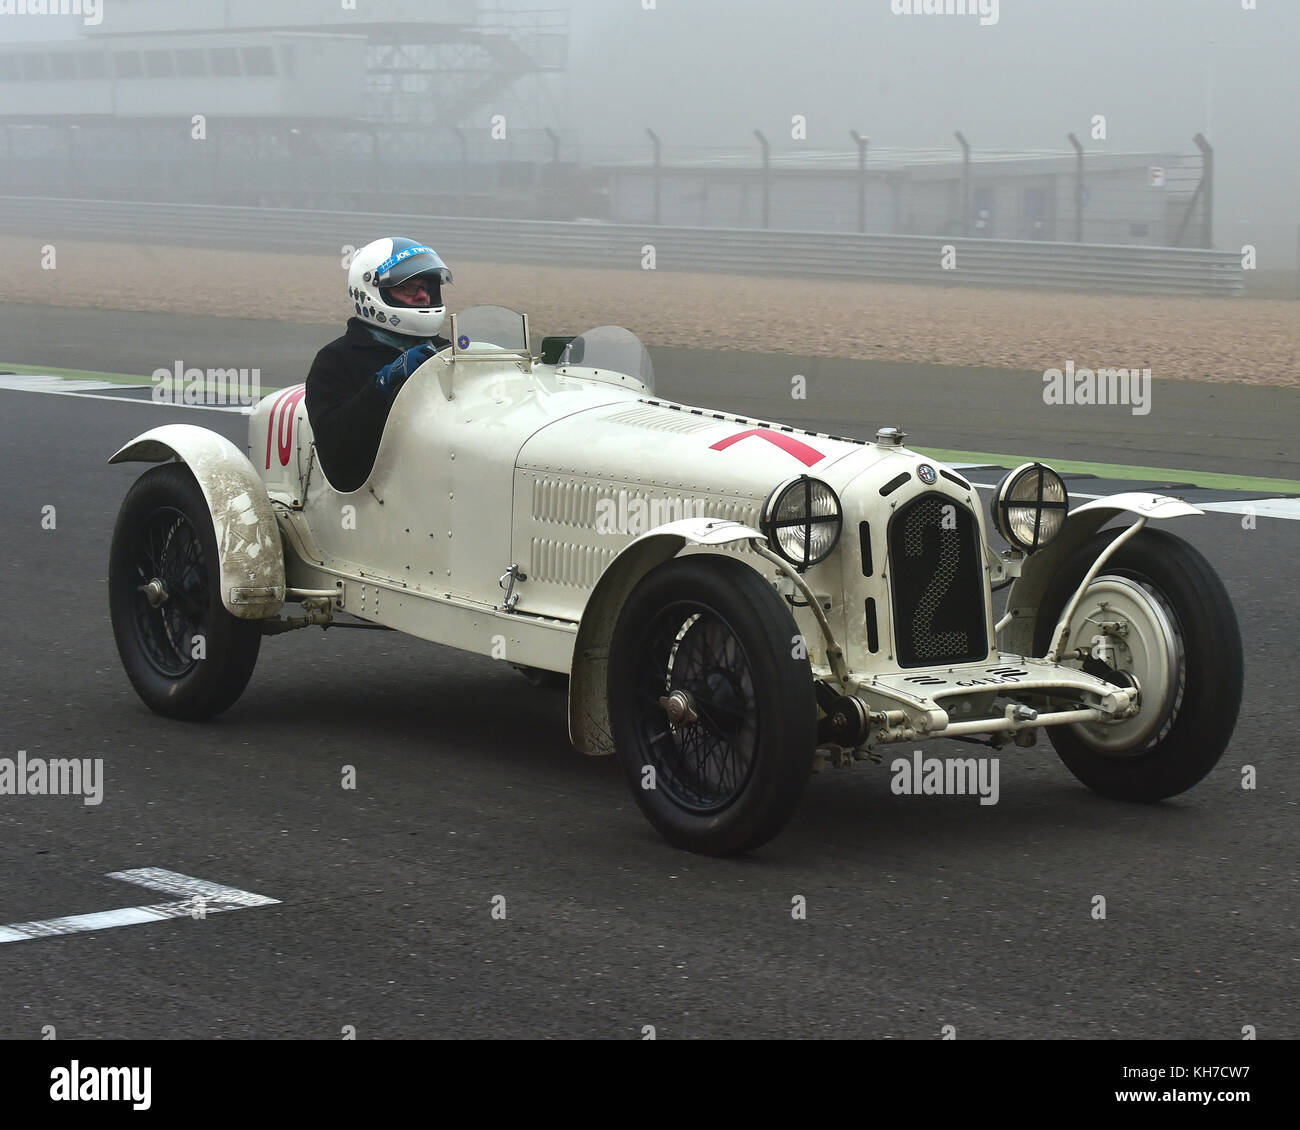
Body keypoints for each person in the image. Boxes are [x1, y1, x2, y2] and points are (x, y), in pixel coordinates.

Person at [305, 237, 453, 492]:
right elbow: (335, 448)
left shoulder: (448, 351)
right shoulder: (335, 360)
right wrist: (382, 384)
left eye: (426, 287)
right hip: (376, 495)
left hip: (440, 483)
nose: (422, 296)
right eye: (408, 288)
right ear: (372, 293)